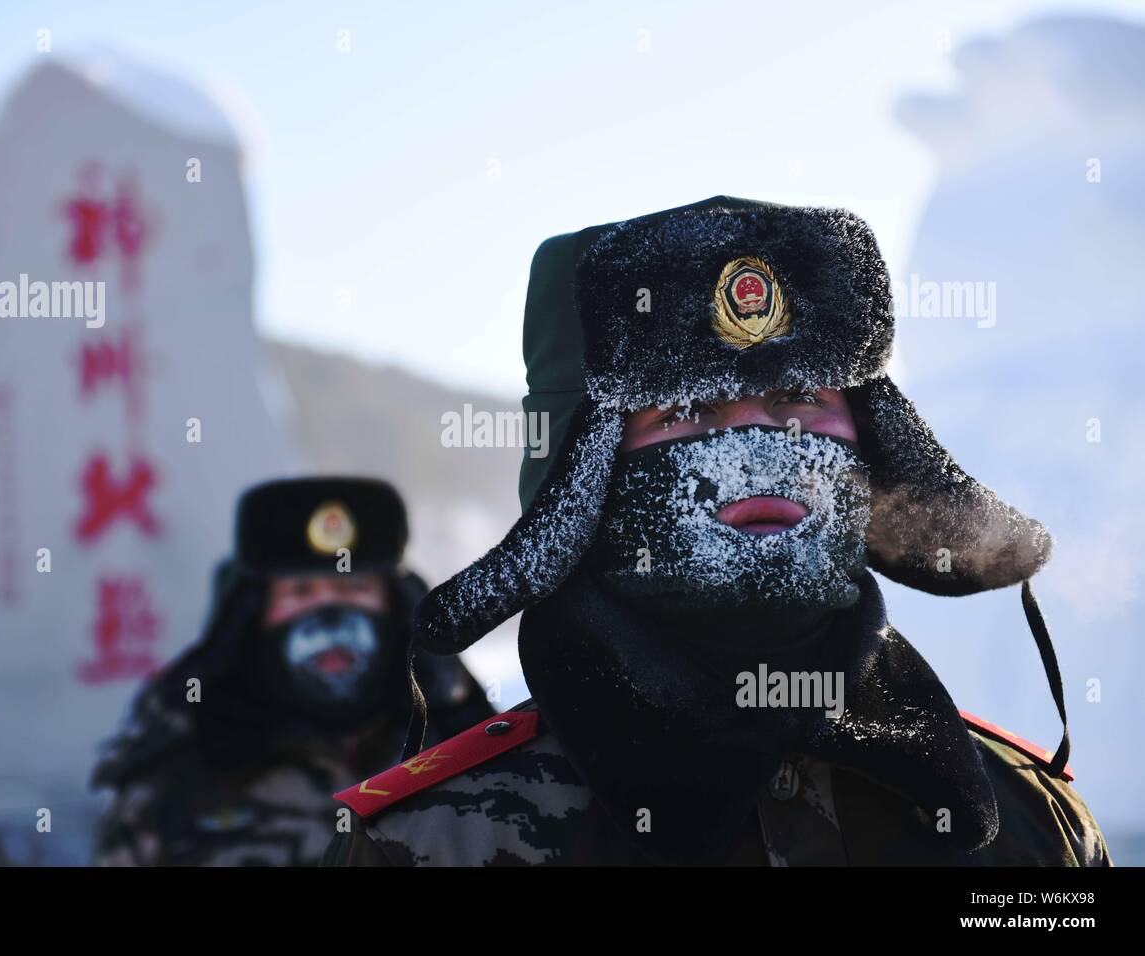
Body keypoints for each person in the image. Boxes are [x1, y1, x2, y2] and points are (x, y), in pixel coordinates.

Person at [323, 197, 1111, 866]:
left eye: (800, 396)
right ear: (581, 478)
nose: (760, 455)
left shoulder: (1034, 824)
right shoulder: (428, 843)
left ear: (876, 441)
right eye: (685, 410)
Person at [91, 477, 491, 866]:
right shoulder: (174, 777)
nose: (330, 617)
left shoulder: (469, 757)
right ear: (253, 616)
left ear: (397, 608)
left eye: (354, 588)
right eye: (301, 592)